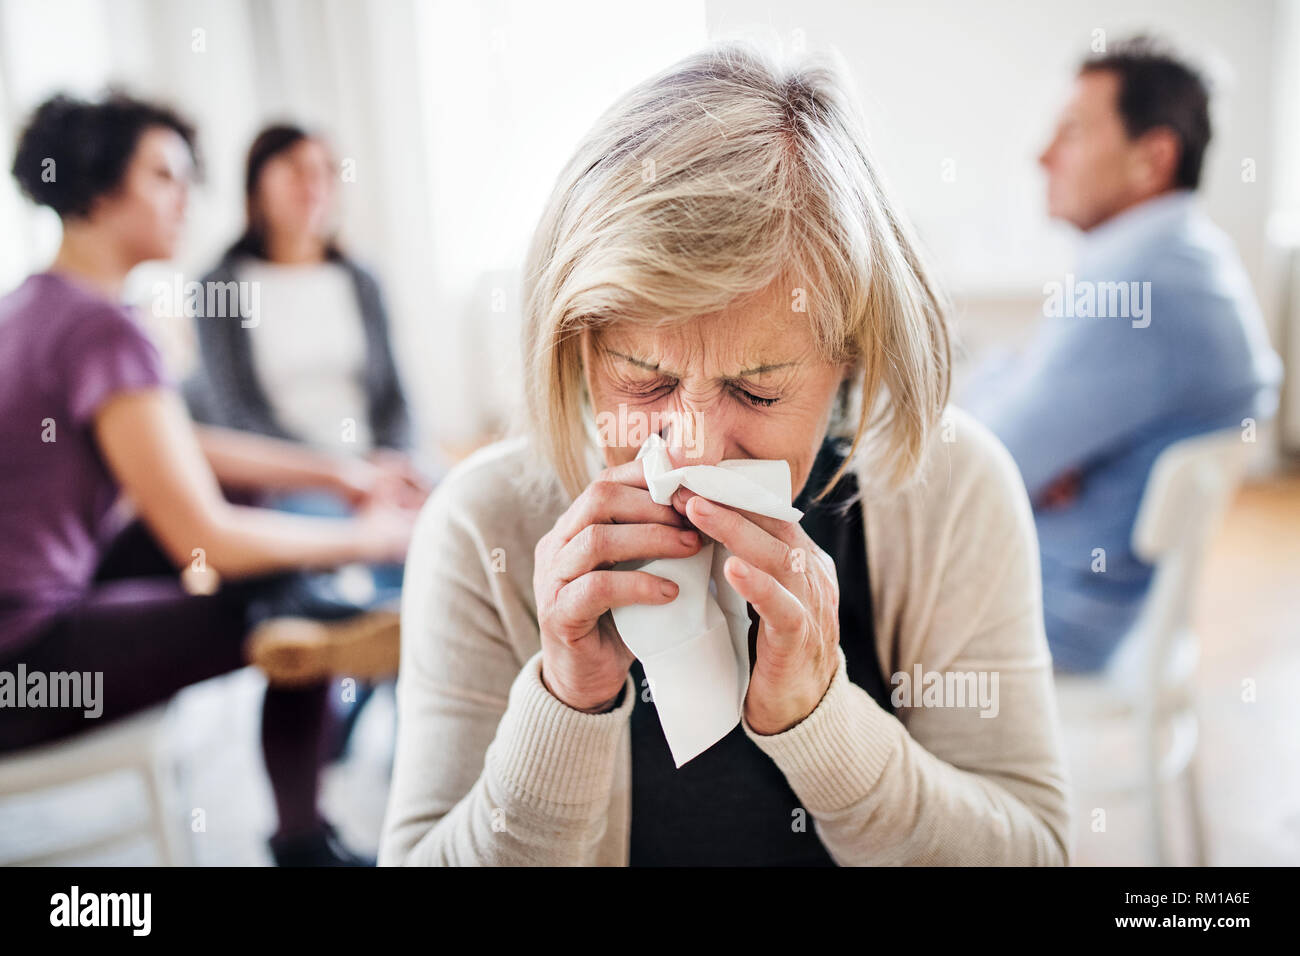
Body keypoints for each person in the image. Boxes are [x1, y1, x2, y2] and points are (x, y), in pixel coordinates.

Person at [378, 42, 1071, 866]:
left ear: (848, 358)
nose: (694, 443)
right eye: (643, 379)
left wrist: (823, 721)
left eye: (759, 390)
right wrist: (565, 703)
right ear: (577, 347)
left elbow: (1032, 852)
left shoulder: (952, 494)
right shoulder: (481, 527)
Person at [0, 91, 416, 865]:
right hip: (23, 663)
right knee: (292, 605)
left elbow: (175, 445)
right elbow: (204, 539)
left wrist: (339, 474)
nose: (186, 196)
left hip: (34, 613)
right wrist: (372, 535)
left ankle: (347, 632)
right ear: (97, 185)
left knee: (273, 541)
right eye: (163, 176)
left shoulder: (33, 304)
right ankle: (302, 841)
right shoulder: (104, 327)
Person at [959, 36, 1284, 674]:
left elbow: (982, 466)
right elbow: (1011, 446)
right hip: (1121, 604)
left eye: (1074, 133)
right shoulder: (1188, 256)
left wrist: (1022, 441)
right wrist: (1034, 430)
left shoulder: (1136, 287)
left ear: (1152, 157)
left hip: (1057, 612)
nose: (1043, 156)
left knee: (833, 569)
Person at [182, 123, 432, 755]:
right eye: (294, 170)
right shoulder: (219, 285)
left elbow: (396, 397)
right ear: (256, 187)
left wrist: (389, 465)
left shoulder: (360, 277)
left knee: (455, 512)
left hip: (379, 459)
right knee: (337, 546)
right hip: (290, 470)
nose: (313, 185)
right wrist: (339, 474)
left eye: (325, 171)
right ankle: (351, 649)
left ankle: (404, 704)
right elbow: (234, 415)